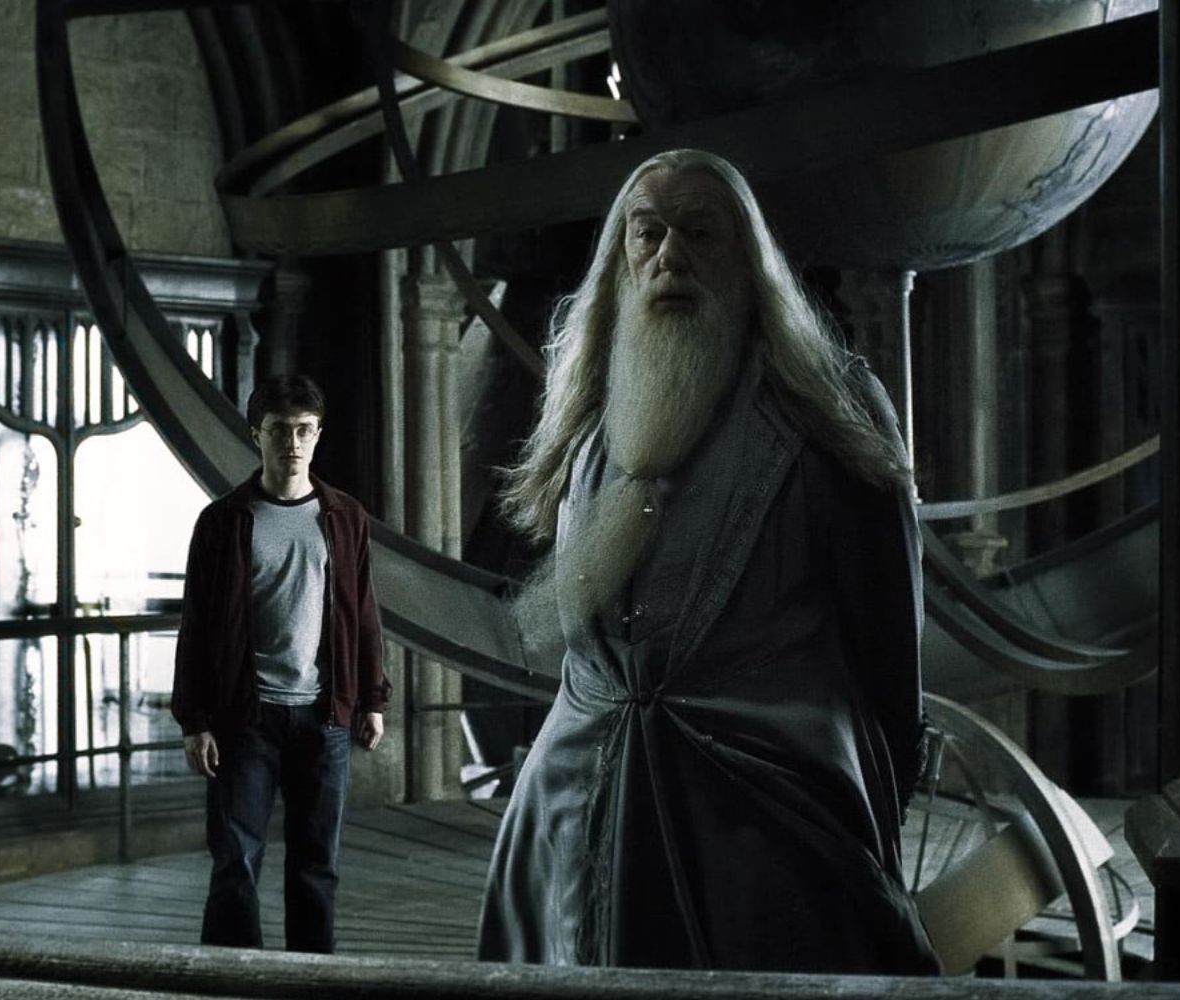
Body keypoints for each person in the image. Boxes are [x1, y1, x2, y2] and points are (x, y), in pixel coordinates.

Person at [478, 149, 939, 974]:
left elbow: (886, 649)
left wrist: (877, 801)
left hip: (763, 832)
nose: (670, 258)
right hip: (574, 822)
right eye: (647, 235)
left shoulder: (829, 411)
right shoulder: (589, 413)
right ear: (621, 260)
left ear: (747, 260)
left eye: (699, 233)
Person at [171, 373, 391, 954]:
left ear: (318, 435)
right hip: (245, 717)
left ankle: (312, 978)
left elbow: (363, 613)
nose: (292, 443)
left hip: (324, 716)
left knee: (317, 865)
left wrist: (372, 698)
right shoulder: (222, 521)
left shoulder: (344, 516)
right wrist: (194, 721)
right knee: (235, 863)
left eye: (303, 430)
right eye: (279, 430)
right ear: (257, 435)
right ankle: (232, 980)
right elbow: (196, 625)